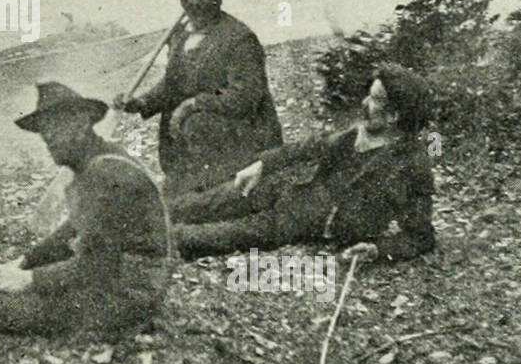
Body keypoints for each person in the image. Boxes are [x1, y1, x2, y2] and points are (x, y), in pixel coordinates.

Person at [0, 81, 173, 337]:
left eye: (56, 128)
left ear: (81, 123)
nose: (48, 140)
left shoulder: (105, 174)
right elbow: (74, 228)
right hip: (119, 276)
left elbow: (97, 268)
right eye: (44, 132)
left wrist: (28, 280)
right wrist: (24, 262)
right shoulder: (96, 161)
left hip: (129, 294)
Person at [169, 63, 436, 263]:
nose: (364, 103)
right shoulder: (357, 133)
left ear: (394, 116)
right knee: (206, 202)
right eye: (369, 95)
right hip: (287, 189)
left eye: (375, 99)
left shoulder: (412, 165)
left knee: (219, 235)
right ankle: (141, 210)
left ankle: (155, 239)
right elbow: (306, 148)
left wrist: (378, 250)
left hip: (297, 222)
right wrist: (262, 165)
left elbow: (420, 237)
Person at [115, 0, 282, 197]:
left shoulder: (239, 38)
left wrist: (194, 103)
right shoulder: (180, 36)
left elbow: (245, 94)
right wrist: (142, 102)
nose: (196, 2)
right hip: (186, 149)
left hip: (237, 150)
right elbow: (174, 82)